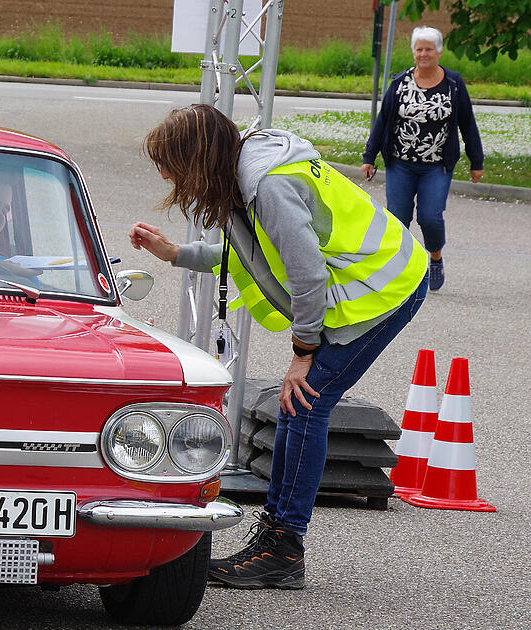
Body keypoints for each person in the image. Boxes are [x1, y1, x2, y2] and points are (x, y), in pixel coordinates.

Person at [130, 104, 428, 590]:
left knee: (304, 404)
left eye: (170, 163)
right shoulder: (245, 174)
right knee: (300, 407)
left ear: (196, 156)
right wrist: (175, 254)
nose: (166, 175)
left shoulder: (268, 185)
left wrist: (303, 353)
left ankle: (282, 549)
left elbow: (307, 274)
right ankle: (278, 540)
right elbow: (252, 252)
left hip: (385, 290)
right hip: (372, 286)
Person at [362, 25, 483, 292]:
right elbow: (383, 122)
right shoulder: (400, 82)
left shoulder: (453, 84)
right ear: (413, 52)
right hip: (400, 163)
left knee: (430, 217)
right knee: (398, 218)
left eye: (429, 49)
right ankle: (400, 269)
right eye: (419, 49)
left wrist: (477, 162)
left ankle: (435, 257)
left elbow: (467, 124)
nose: (424, 54)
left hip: (436, 166)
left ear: (438, 51)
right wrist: (369, 156)